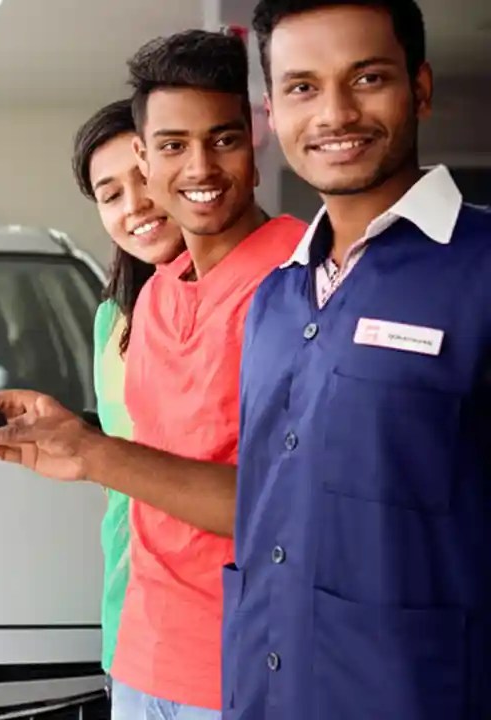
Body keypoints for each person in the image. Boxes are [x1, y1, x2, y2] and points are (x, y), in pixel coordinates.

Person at [0, 30, 306, 719]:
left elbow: (279, 511)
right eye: (174, 146)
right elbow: (148, 482)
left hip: (247, 668)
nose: (199, 168)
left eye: (223, 139)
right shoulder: (153, 297)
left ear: (258, 138)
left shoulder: (301, 281)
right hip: (143, 659)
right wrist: (74, 444)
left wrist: (91, 452)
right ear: (150, 158)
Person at [220, 1, 491, 718]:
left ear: (421, 88)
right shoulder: (275, 299)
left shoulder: (483, 269)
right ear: (273, 114)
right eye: (304, 88)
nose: (335, 113)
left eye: (367, 78)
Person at [70, 98, 185, 684]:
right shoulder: (111, 320)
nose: (135, 205)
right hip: (131, 619)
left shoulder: (258, 294)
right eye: (110, 194)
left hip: (216, 630)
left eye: (145, 180)